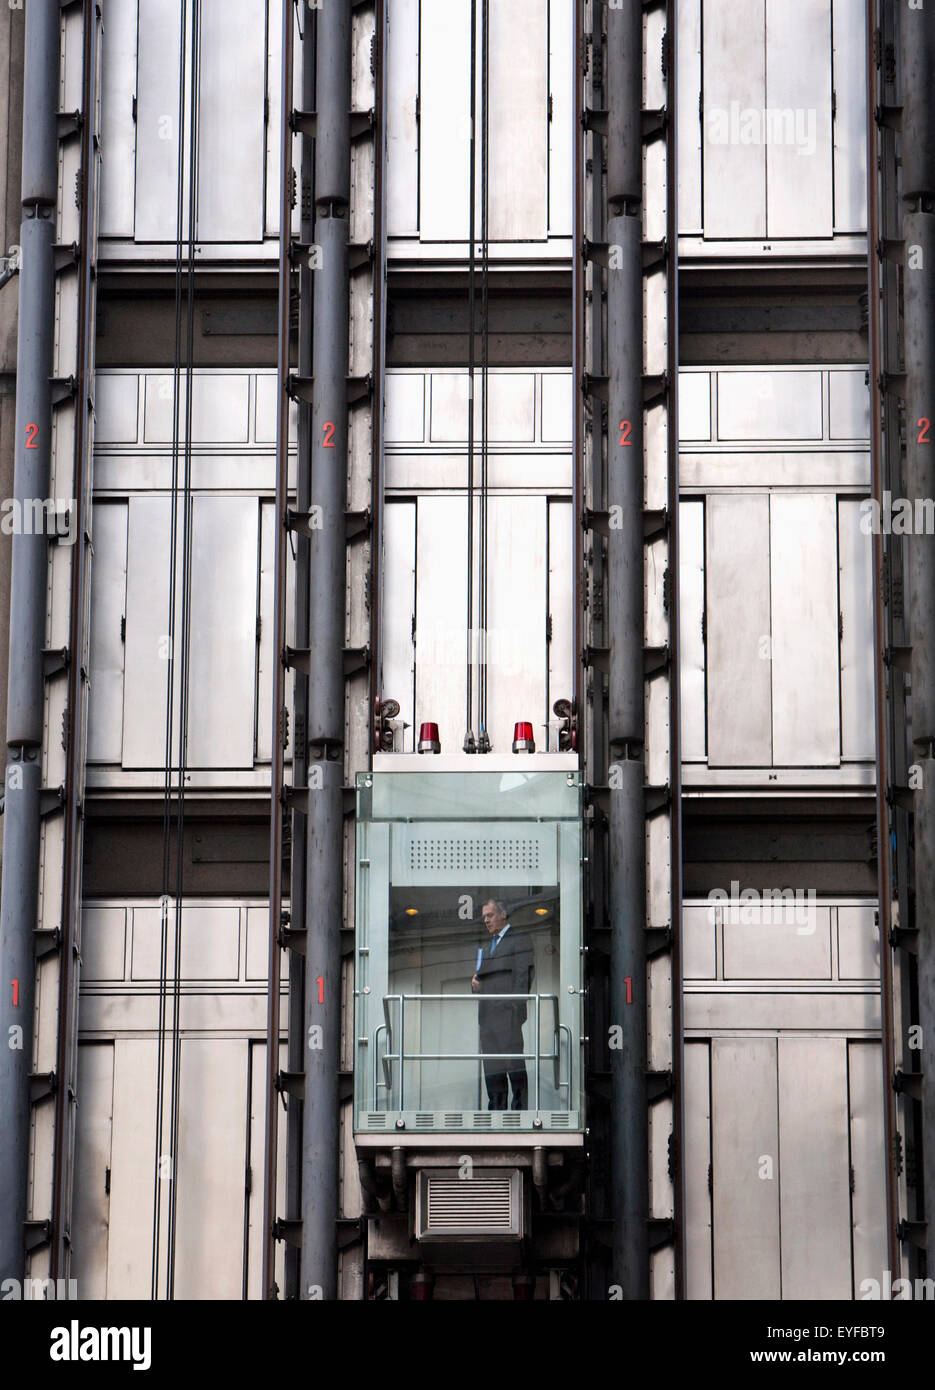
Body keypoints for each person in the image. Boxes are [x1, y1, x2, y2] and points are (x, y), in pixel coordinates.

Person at [471, 899, 534, 1110]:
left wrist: (514, 1007)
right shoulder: (489, 945)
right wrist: (475, 985)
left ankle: (519, 1110)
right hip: (487, 1015)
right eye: (484, 917)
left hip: (507, 1013)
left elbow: (523, 977)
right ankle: (496, 1110)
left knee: (513, 1063)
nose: (486, 921)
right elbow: (483, 978)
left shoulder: (519, 939)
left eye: (489, 915)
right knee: (492, 1067)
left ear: (503, 914)